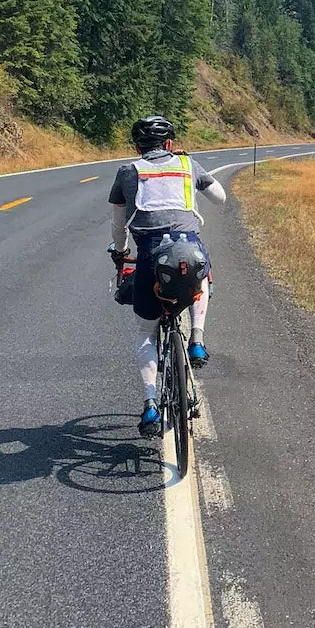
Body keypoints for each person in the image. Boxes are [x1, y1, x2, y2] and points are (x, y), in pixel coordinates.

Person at [108, 116, 228, 438]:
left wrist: (121, 253)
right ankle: (197, 340)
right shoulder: (187, 165)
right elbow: (220, 198)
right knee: (202, 280)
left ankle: (150, 404)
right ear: (170, 144)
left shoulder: (128, 172)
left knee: (146, 332)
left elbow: (119, 227)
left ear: (137, 147)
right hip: (189, 251)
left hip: (150, 257)